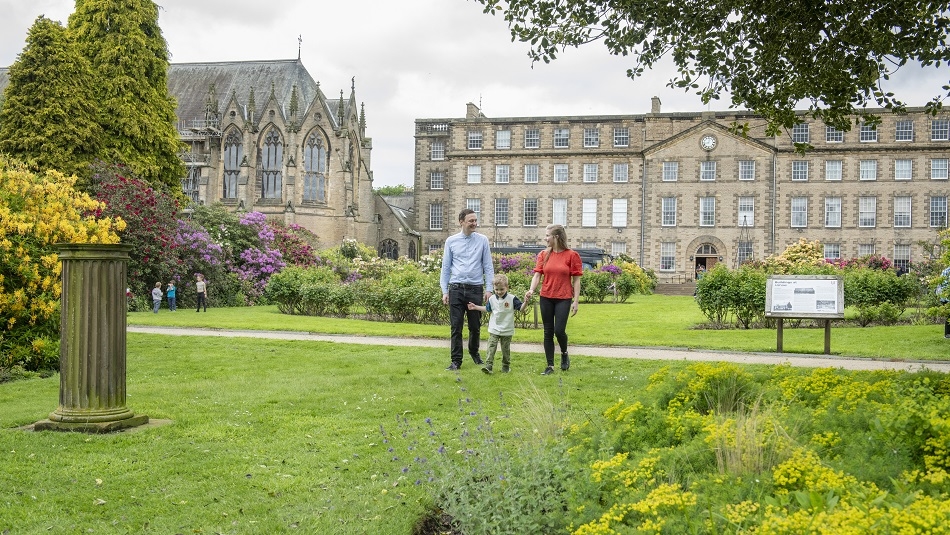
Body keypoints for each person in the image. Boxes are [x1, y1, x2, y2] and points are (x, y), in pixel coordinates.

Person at [440, 209, 495, 371]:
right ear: (461, 222)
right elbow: (446, 267)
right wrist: (444, 291)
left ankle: (474, 352)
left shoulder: (482, 240)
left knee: (475, 326)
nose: (474, 223)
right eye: (471, 221)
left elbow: (488, 266)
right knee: (456, 327)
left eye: (475, 220)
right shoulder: (451, 241)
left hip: (475, 289)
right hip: (456, 289)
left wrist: (489, 289)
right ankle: (456, 361)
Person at [524, 224, 582, 375]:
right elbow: (537, 275)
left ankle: (564, 353)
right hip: (546, 297)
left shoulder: (572, 255)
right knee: (548, 331)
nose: (545, 238)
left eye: (547, 235)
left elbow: (576, 280)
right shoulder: (544, 254)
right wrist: (531, 290)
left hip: (563, 298)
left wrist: (576, 301)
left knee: (559, 331)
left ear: (556, 237)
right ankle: (550, 365)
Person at [467, 273, 528, 374]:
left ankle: (505, 366)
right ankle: (488, 366)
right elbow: (488, 309)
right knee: (491, 347)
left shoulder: (512, 298)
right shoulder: (492, 299)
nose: (499, 292)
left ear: (507, 287)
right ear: (494, 288)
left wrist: (525, 302)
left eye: (501, 289)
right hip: (494, 328)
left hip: (507, 330)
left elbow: (521, 308)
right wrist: (475, 307)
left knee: (505, 350)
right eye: (496, 289)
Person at [938, 267, 950, 338]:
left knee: (948, 316)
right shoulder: (946, 271)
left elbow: (940, 284)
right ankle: (948, 334)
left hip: (944, 297)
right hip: (946, 297)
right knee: (948, 316)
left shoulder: (945, 270)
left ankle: (947, 334)